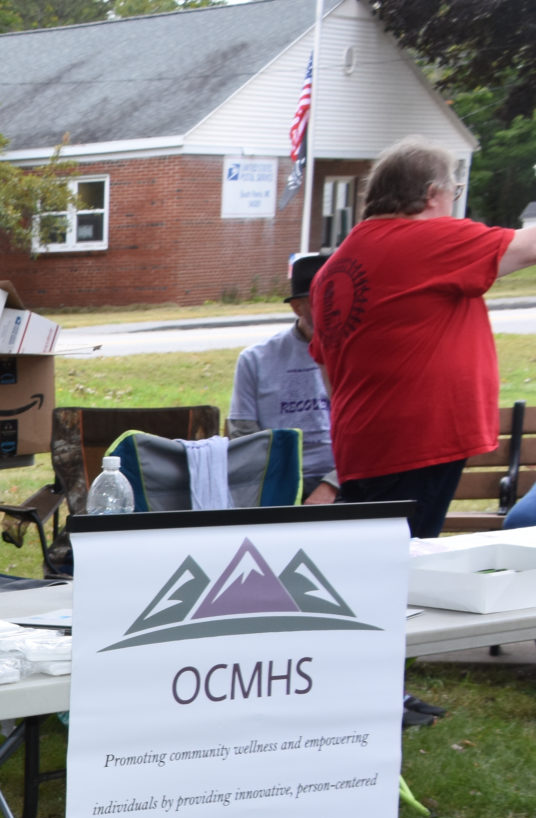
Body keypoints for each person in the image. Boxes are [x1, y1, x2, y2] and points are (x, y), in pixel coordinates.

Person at [309, 137, 536, 537]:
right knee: (403, 565)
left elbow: (330, 371)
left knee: (378, 558)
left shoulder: (333, 269)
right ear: (432, 194)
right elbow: (530, 246)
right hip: (416, 443)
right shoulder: (428, 240)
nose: (454, 204)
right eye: (455, 193)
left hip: (361, 445)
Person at [229, 252, 336, 504]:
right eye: (322, 299)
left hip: (346, 485)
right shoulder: (255, 359)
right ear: (297, 306)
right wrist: (282, 487)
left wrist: (331, 486)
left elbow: (369, 437)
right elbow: (244, 437)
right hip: (273, 485)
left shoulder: (358, 354)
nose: (333, 306)